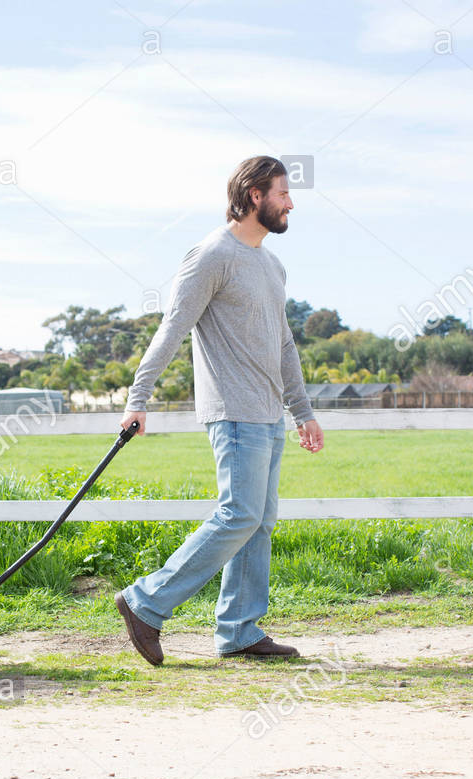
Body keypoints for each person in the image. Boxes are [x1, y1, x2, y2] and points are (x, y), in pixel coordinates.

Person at [116, 155, 324, 666]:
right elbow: (173, 328)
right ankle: (145, 602)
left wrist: (302, 410)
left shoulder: (271, 265)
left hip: (268, 413)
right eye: (282, 193)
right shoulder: (212, 254)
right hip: (231, 411)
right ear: (255, 195)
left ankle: (239, 630)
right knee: (240, 515)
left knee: (260, 521)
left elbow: (285, 345)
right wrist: (137, 398)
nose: (290, 202)